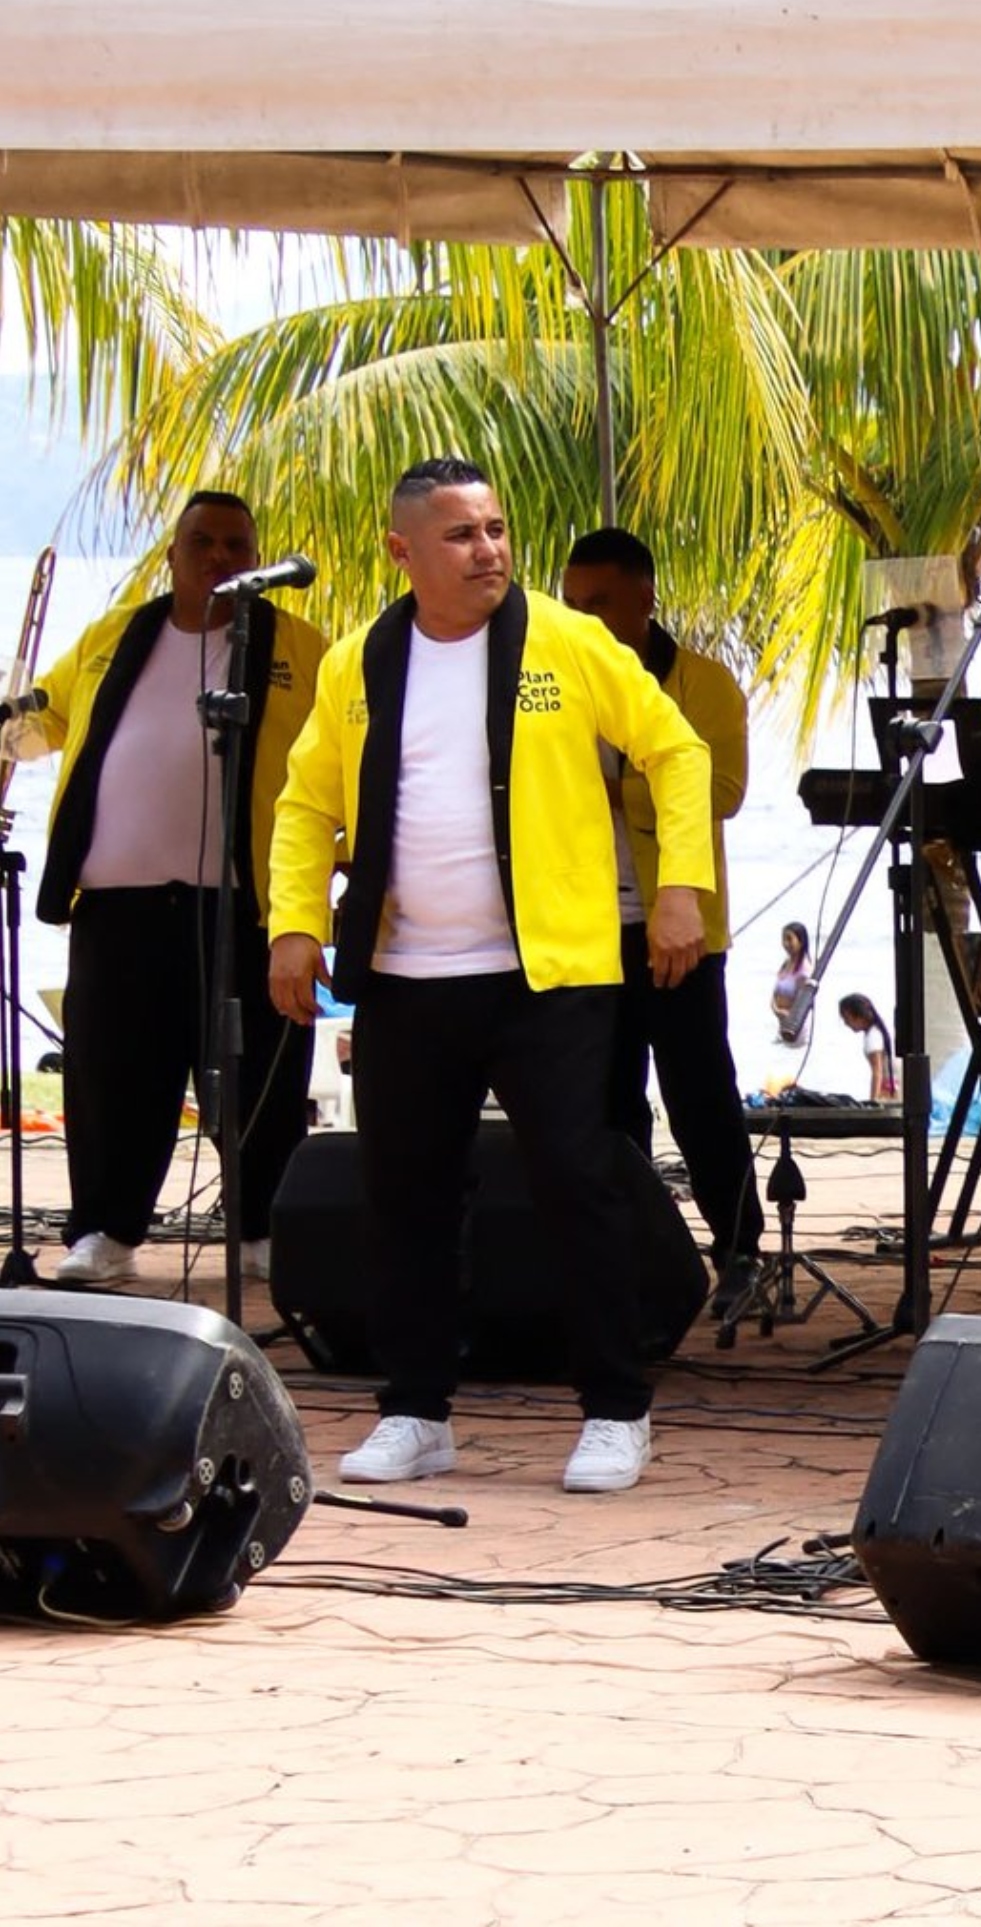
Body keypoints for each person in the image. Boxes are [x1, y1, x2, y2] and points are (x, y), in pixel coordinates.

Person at [267, 456, 714, 1495]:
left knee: (577, 1181)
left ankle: (615, 1409)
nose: (489, 551)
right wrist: (295, 926)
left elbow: (676, 749)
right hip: (405, 973)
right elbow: (303, 805)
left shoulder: (567, 640)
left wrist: (680, 883)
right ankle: (416, 1410)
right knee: (405, 1197)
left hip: (548, 975)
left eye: (497, 529)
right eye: (463, 535)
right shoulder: (358, 663)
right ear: (403, 551)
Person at [14, 490, 325, 1288]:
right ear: (173, 556)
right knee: (111, 1075)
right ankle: (106, 1232)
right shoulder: (118, 634)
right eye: (204, 542)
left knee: (259, 1070)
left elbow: (344, 759)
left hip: (244, 905)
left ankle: (262, 1229)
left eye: (237, 543)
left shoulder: (300, 645)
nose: (221, 556)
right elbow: (42, 720)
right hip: (117, 907)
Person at [561, 526, 766, 1320]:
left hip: (678, 925)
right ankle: (631, 1256)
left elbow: (723, 789)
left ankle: (741, 1246)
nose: (585, 618)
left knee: (701, 1093)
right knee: (607, 1103)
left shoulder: (705, 684)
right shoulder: (557, 683)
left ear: (644, 598)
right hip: (584, 925)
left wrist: (617, 788)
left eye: (601, 602)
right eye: (573, 604)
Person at [839, 992, 898, 1102]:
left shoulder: (873, 1037)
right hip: (892, 1088)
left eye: (846, 1018)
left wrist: (873, 1101)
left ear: (859, 1016)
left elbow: (877, 1071)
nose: (846, 1023)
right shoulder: (877, 1032)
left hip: (886, 1093)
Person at [770, 920, 816, 1046]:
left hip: (796, 1031)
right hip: (781, 1028)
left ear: (801, 941)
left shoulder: (805, 970)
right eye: (783, 939)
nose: (785, 943)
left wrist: (785, 1014)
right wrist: (775, 1008)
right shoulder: (786, 963)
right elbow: (775, 993)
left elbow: (802, 1003)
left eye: (789, 939)